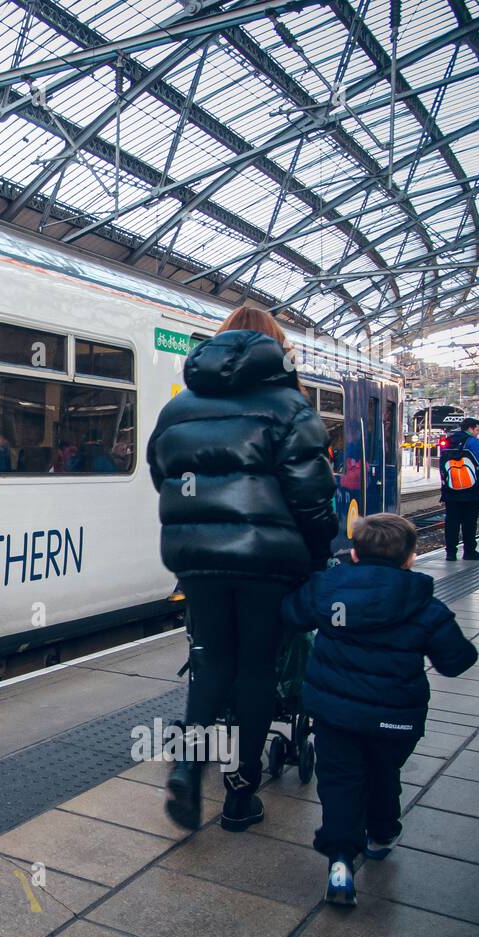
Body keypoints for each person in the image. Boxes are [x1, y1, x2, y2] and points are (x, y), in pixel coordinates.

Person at [147, 306, 338, 832]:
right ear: (276, 348)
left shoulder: (180, 406)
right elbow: (313, 497)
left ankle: (188, 768)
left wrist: (198, 522)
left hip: (199, 562)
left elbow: (161, 472)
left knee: (209, 665)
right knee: (256, 669)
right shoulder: (290, 407)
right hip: (268, 564)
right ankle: (239, 794)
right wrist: (320, 555)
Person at [281, 514, 477, 906]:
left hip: (336, 715)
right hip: (395, 719)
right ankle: (381, 833)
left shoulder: (329, 587)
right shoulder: (423, 603)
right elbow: (457, 660)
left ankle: (339, 863)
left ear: (353, 553)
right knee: (383, 773)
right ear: (410, 559)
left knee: (339, 782)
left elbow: (291, 614)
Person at [440, 416, 479, 561]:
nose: (478, 432)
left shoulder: (449, 441)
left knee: (452, 521)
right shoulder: (473, 442)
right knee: (469, 521)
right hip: (470, 490)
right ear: (470, 428)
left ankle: (451, 553)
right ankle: (469, 551)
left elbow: (442, 464)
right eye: (477, 429)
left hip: (450, 489)